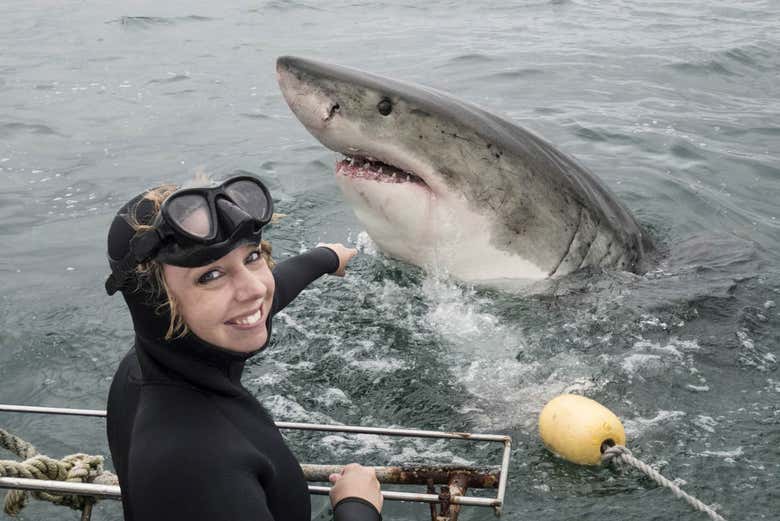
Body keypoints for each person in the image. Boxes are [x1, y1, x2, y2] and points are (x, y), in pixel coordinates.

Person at [104, 174, 383, 521]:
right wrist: (357, 507)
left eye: (252, 257)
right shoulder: (195, 469)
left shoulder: (141, 370)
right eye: (210, 276)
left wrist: (326, 258)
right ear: (156, 303)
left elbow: (272, 292)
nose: (254, 289)